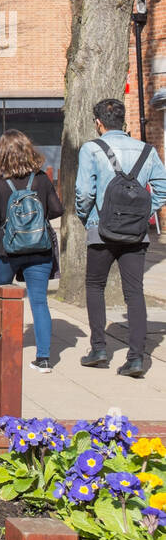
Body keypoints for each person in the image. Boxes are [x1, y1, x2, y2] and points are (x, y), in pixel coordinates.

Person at [75, 98, 166, 378]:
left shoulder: (91, 148)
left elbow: (84, 193)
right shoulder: (147, 150)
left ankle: (99, 348)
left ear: (98, 123)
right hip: (136, 234)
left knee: (94, 286)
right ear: (124, 122)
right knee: (134, 292)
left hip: (100, 229)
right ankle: (136, 358)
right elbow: (162, 189)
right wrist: (144, 214)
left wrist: (86, 218)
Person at [0, 130, 63, 374]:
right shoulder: (41, 179)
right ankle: (44, 359)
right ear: (29, 150)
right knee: (39, 302)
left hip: (6, 249)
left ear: (1, 153)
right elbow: (57, 210)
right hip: (40, 248)